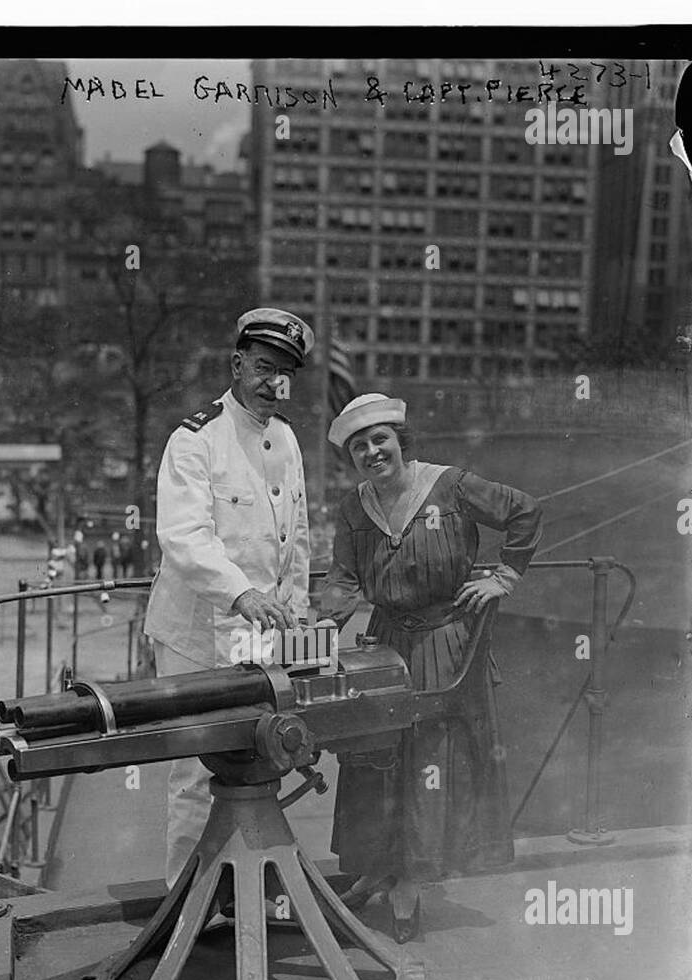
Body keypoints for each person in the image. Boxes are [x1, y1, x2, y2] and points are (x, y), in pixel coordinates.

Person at [318, 393, 543, 940]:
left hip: (447, 646)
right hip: (386, 646)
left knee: (429, 762)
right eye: (359, 447)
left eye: (380, 440)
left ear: (401, 442)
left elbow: (524, 511)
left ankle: (411, 884)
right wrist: (320, 633)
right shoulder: (354, 509)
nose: (372, 452)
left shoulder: (450, 485)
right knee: (376, 756)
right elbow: (345, 581)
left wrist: (503, 577)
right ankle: (378, 866)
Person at [144, 306, 314, 887]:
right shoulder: (195, 439)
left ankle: (246, 892)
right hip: (196, 634)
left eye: (285, 374)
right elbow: (184, 539)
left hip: (260, 633)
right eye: (263, 368)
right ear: (237, 364)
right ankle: (184, 902)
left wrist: (299, 614)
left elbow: (297, 538)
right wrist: (241, 593)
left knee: (258, 764)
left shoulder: (287, 441)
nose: (274, 384)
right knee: (195, 773)